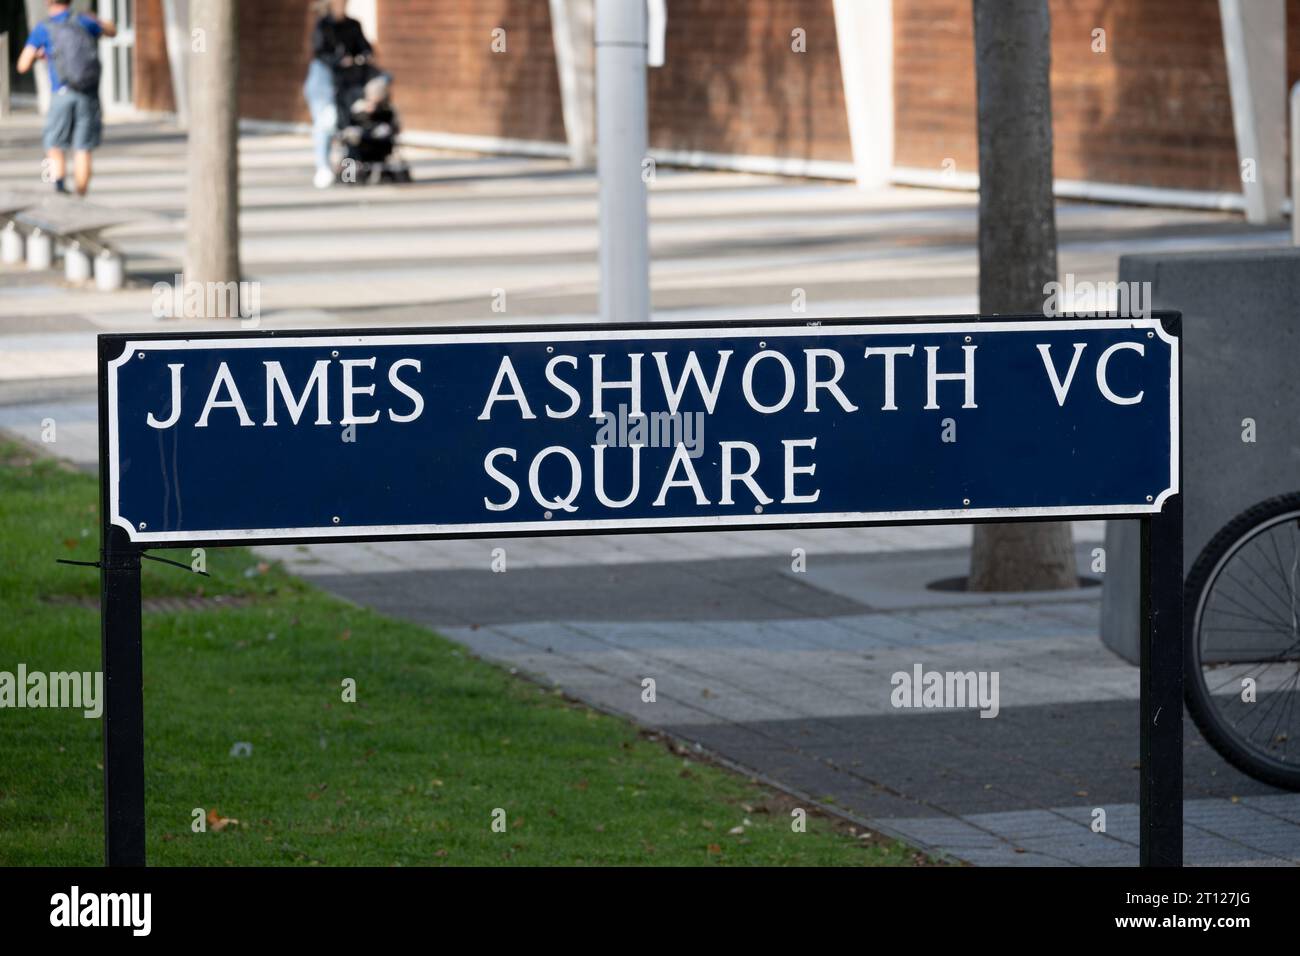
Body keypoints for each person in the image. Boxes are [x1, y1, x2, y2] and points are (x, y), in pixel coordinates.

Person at [17, 1, 117, 197]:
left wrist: (39, 55)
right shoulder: (84, 21)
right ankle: (81, 196)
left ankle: (60, 188)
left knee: (55, 144)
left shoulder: (43, 28)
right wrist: (98, 20)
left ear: (48, 2)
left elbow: (22, 65)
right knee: (83, 148)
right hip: (88, 94)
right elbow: (112, 32)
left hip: (61, 93)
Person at [304, 0, 373, 189]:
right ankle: (323, 167)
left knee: (349, 125)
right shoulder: (323, 25)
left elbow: (366, 48)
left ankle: (349, 172)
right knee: (326, 122)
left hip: (348, 82)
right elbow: (319, 52)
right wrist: (338, 60)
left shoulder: (353, 25)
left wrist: (359, 59)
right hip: (324, 80)